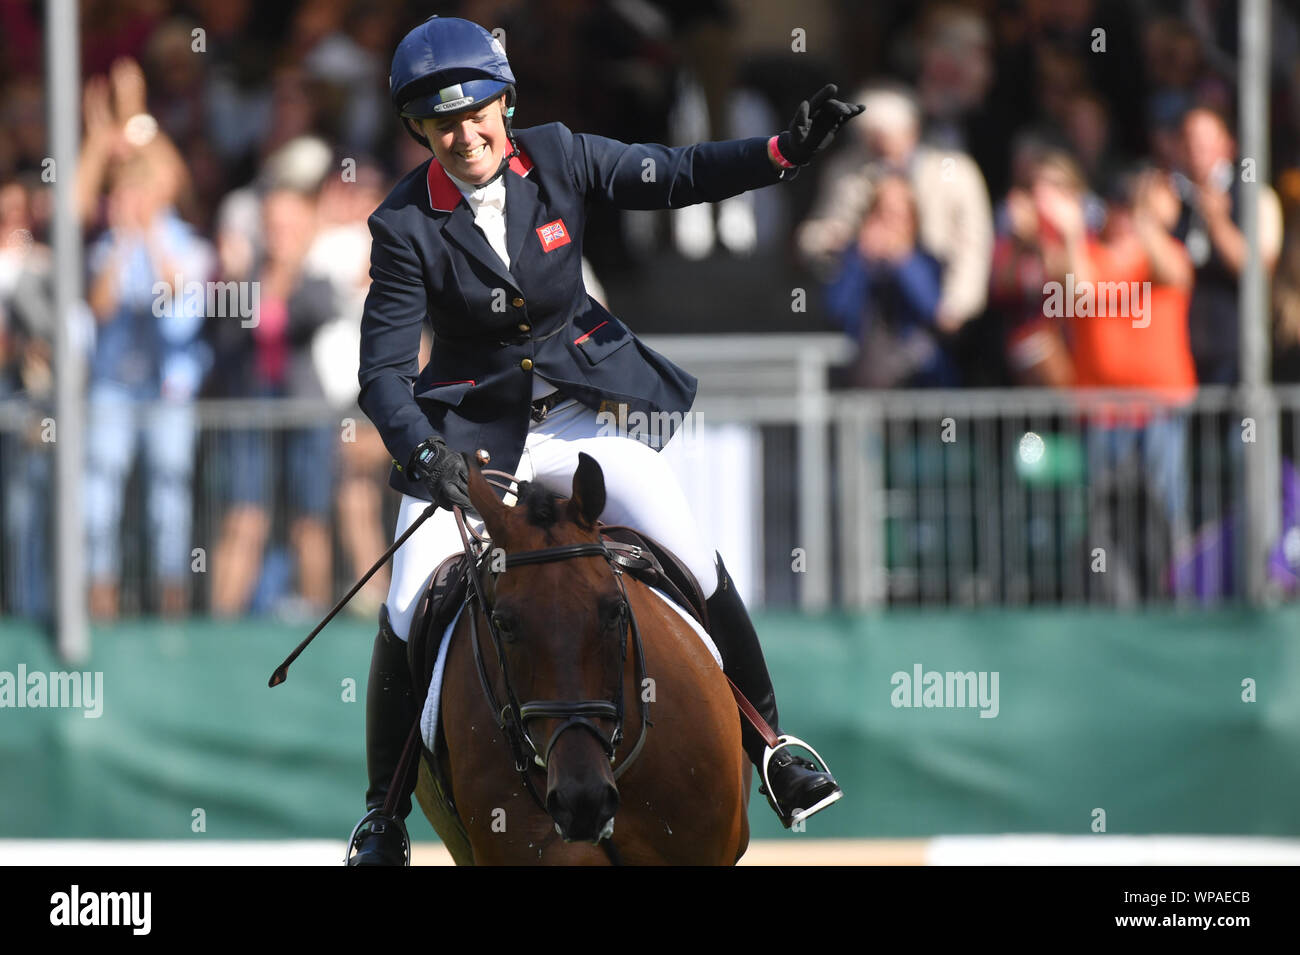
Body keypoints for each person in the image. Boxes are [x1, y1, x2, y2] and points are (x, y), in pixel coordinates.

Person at [348, 15, 861, 864]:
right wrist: (424, 455)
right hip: (474, 449)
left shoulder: (557, 154)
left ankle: (773, 743)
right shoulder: (403, 225)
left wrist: (781, 154)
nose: (463, 133)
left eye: (476, 111)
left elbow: (678, 175)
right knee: (406, 603)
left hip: (579, 425)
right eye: (440, 122)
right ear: (417, 129)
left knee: (687, 545)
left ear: (504, 103)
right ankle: (381, 815)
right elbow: (381, 376)